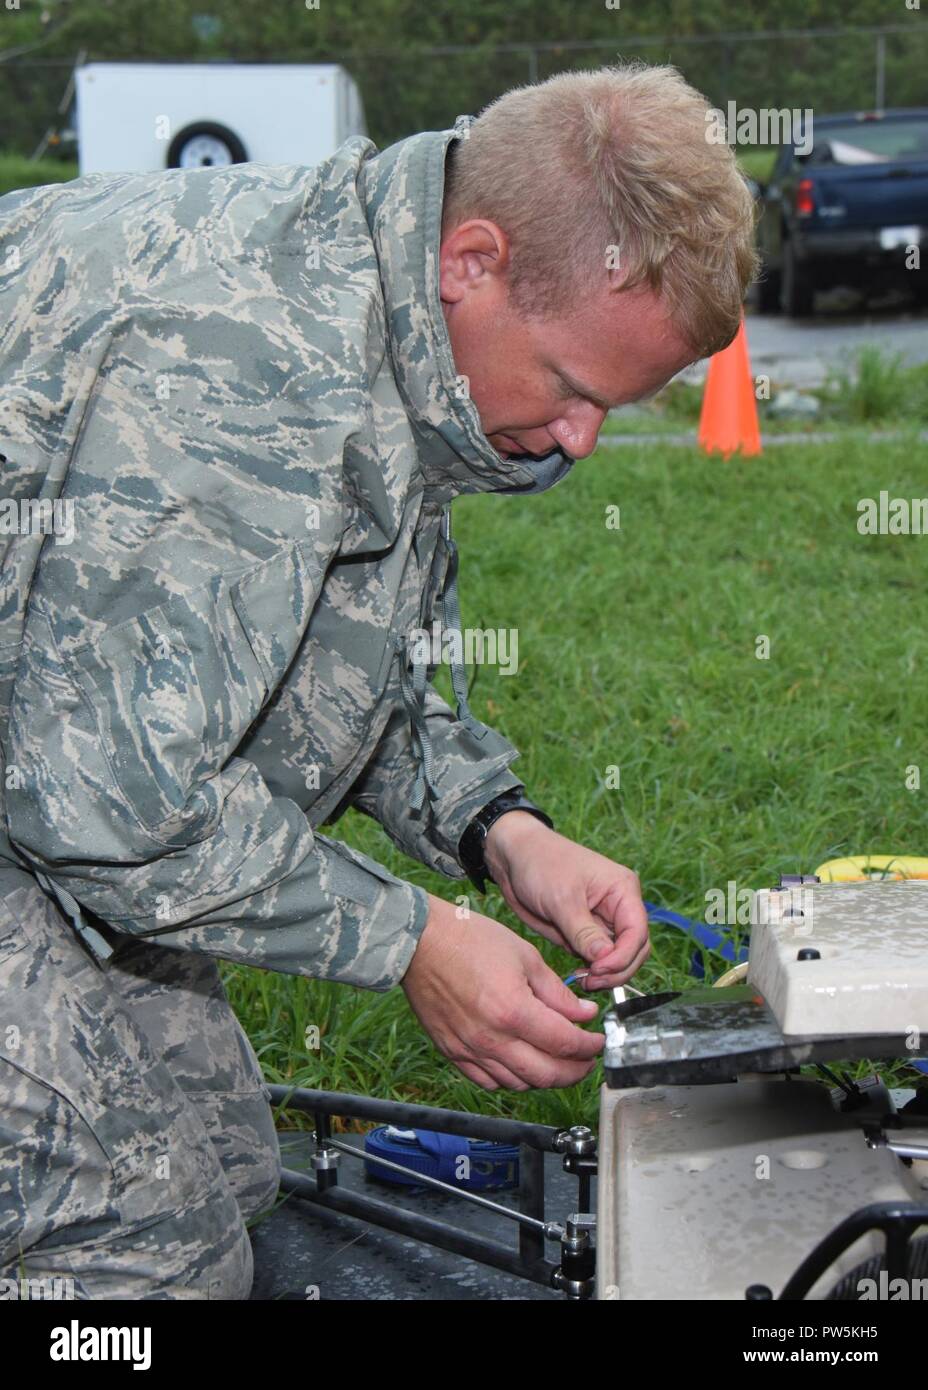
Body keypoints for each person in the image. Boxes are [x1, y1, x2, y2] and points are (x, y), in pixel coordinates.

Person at [0, 61, 757, 1297]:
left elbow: (326, 658)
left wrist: (496, 832)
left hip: (44, 768)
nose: (581, 440)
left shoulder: (384, 315)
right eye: (571, 388)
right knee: (146, 1244)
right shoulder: (247, 378)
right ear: (474, 259)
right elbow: (111, 807)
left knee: (228, 1171)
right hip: (60, 792)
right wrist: (411, 941)